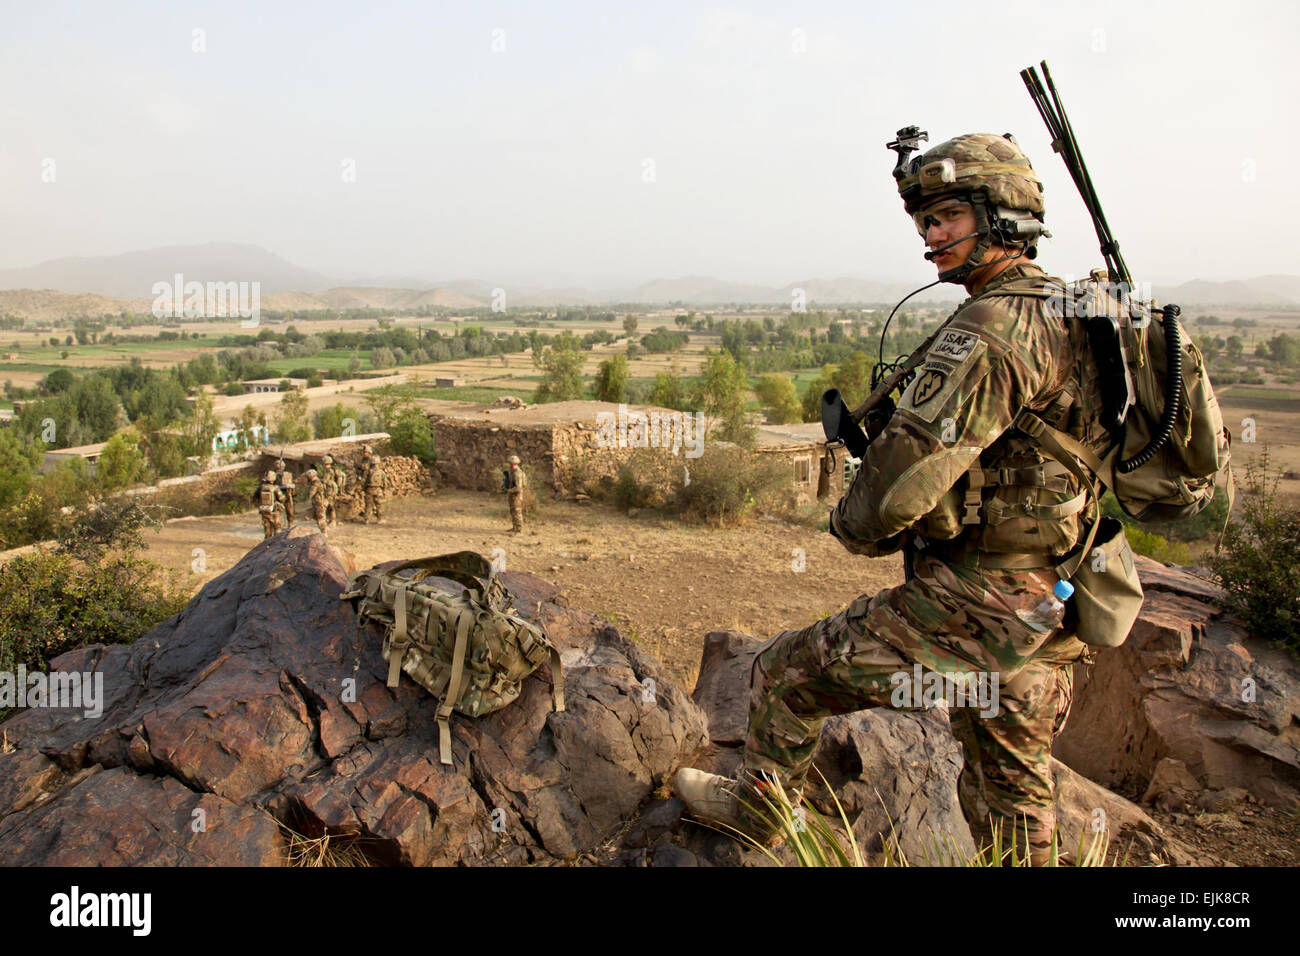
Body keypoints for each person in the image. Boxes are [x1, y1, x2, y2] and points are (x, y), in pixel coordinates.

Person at [675, 132, 1111, 865]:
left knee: (784, 674)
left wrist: (856, 514)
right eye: (923, 222)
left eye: (946, 217)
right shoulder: (1076, 309)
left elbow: (886, 503)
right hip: (1063, 593)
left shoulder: (992, 330)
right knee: (1013, 794)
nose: (930, 238)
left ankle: (759, 814)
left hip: (980, 599)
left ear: (1001, 215)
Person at [254, 469, 284, 539]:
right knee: (277, 527)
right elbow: (281, 499)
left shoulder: (260, 488)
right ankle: (277, 543)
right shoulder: (275, 488)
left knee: (267, 528)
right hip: (274, 511)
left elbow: (255, 497)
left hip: (264, 510)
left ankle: (267, 544)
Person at [362, 454, 388, 524]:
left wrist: (363, 489)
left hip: (369, 489)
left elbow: (363, 481)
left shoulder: (367, 472)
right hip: (378, 490)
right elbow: (385, 482)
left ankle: (366, 520)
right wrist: (384, 490)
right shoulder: (381, 472)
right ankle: (380, 519)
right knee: (379, 505)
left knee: (368, 505)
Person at [503, 455, 525, 533]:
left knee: (517, 511)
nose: (510, 465)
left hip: (517, 495)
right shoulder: (512, 472)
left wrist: (509, 491)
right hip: (513, 494)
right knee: (513, 510)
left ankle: (518, 528)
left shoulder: (517, 473)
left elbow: (518, 487)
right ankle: (514, 527)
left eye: (511, 463)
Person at [305, 468, 328, 534]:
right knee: (319, 518)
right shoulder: (319, 482)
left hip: (319, 503)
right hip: (320, 502)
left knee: (321, 518)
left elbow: (311, 493)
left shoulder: (315, 484)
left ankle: (324, 533)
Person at [275, 458, 296, 528]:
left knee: (282, 510)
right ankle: (289, 523)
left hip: (281, 494)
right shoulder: (287, 475)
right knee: (288, 510)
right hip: (285, 494)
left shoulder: (275, 475)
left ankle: (283, 524)